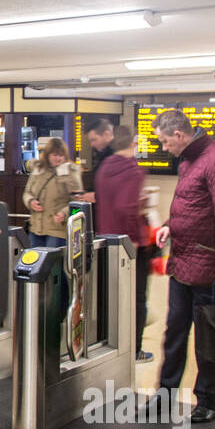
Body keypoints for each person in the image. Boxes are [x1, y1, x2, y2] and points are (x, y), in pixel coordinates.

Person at [152, 108, 215, 423]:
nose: (164, 149)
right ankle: (164, 395)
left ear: (179, 135)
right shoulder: (188, 159)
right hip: (182, 262)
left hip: (209, 268)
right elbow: (190, 205)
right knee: (174, 332)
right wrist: (169, 225)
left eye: (165, 142)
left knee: (207, 340)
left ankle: (207, 401)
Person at [95, 125, 155, 363]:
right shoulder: (134, 171)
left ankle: (110, 343)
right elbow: (125, 207)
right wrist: (134, 239)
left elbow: (109, 202)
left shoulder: (103, 169)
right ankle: (135, 350)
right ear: (133, 144)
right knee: (137, 299)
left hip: (106, 239)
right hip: (130, 245)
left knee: (111, 296)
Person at [23, 137, 81, 248]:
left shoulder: (70, 172)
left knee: (53, 263)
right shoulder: (38, 170)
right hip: (36, 228)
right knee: (36, 262)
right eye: (55, 155)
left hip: (57, 230)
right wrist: (31, 202)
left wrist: (64, 213)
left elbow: (77, 201)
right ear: (47, 155)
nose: (58, 158)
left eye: (61, 155)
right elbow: (27, 192)